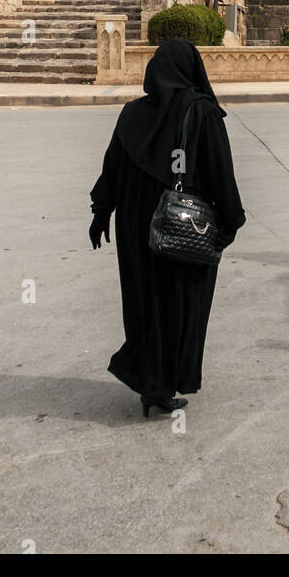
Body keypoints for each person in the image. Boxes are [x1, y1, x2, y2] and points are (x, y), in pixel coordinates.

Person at [89, 38, 245, 417]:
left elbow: (113, 166)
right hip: (182, 229)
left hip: (135, 228)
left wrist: (101, 212)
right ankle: (162, 382)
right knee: (178, 306)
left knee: (144, 302)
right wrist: (230, 221)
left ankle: (150, 379)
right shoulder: (201, 113)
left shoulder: (132, 114)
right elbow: (219, 171)